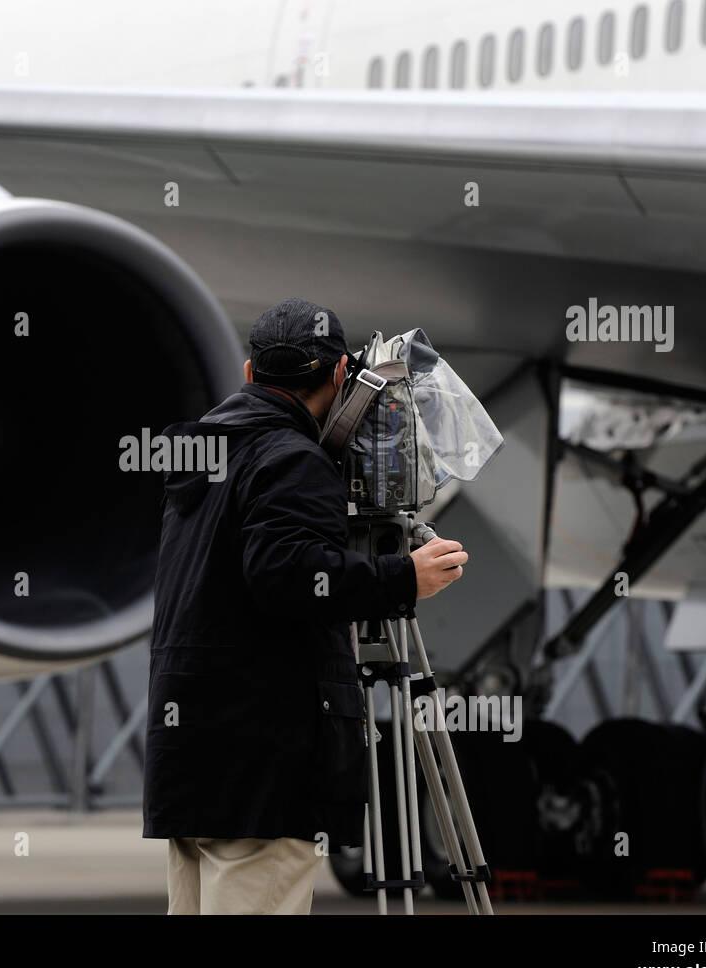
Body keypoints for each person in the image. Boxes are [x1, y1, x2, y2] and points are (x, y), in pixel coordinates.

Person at [142, 297, 469, 914]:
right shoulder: (291, 459)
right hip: (263, 762)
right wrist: (402, 578)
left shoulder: (207, 457)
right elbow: (285, 575)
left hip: (194, 757)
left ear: (248, 374)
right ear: (342, 375)